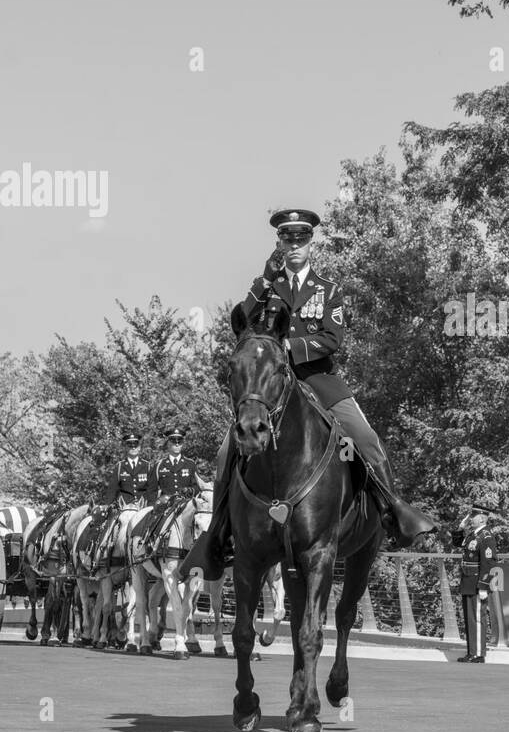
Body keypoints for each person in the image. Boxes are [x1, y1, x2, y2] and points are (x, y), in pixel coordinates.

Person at [183, 208, 436, 582]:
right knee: (226, 453)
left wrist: (288, 347)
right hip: (271, 385)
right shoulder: (267, 289)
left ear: (310, 243)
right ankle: (217, 534)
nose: (294, 245)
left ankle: (392, 509)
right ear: (280, 243)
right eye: (288, 239)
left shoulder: (327, 289)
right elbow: (242, 321)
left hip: (318, 380)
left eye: (301, 239)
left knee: (364, 439)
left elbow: (333, 340)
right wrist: (263, 278)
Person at [453, 502, 506, 663]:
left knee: (477, 618)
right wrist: (460, 529)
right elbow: (457, 543)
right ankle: (471, 652)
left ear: (482, 518)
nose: (471, 518)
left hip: (477, 583)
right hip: (468, 581)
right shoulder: (472, 534)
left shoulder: (486, 537)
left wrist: (483, 586)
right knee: (469, 619)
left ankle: (478, 654)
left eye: (474, 516)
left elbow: (489, 563)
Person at [152, 427, 198, 502]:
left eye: (179, 442)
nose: (177, 445)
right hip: (165, 506)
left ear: (182, 444)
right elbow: (152, 490)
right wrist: (153, 506)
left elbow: (197, 487)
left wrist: (190, 490)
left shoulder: (190, 464)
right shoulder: (159, 465)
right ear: (168, 444)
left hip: (186, 505)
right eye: (174, 442)